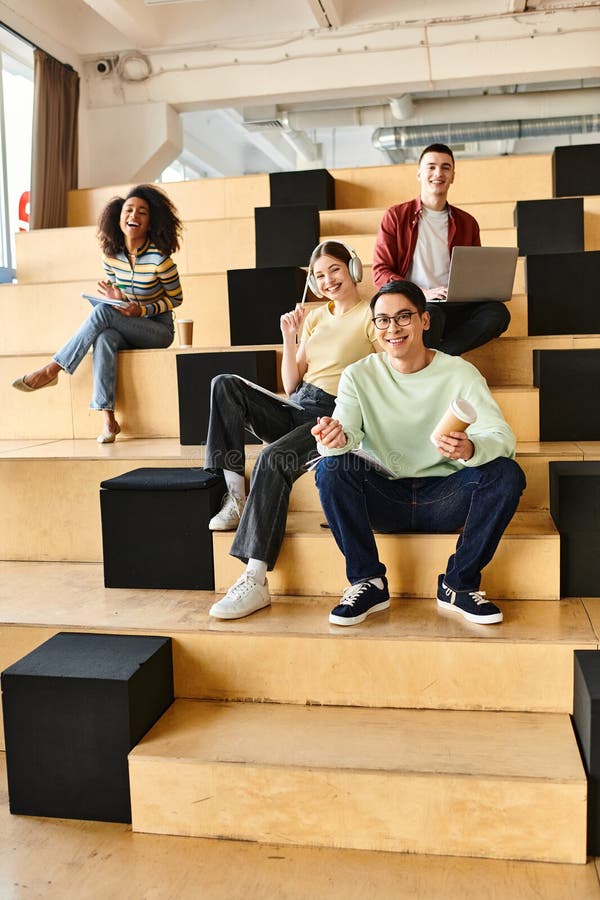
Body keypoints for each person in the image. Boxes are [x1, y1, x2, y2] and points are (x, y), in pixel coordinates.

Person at [312, 279, 525, 627]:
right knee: (330, 468)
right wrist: (332, 439)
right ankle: (368, 582)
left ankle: (459, 584)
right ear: (374, 326)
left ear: (425, 320)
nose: (392, 328)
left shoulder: (459, 372)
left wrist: (471, 448)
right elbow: (344, 434)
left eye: (403, 317)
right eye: (382, 320)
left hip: (446, 497)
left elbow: (501, 435)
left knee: (506, 473)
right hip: (384, 495)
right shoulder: (358, 375)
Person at [206, 240, 378, 620]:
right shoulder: (316, 317)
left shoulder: (371, 314)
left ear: (353, 268)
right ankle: (235, 494)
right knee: (224, 383)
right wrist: (290, 336)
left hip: (334, 413)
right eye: (319, 275)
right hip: (298, 404)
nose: (328, 279)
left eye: (334, 269)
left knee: (271, 458)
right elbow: (289, 384)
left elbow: (382, 373)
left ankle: (256, 577)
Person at [12, 184, 183, 443]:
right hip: (128, 323)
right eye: (128, 210)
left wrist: (144, 309)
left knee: (104, 314)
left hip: (157, 330)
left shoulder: (161, 260)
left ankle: (52, 369)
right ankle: (108, 420)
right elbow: (121, 300)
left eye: (142, 212)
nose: (133, 215)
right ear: (119, 217)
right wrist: (119, 299)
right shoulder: (111, 258)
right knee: (104, 338)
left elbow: (177, 298)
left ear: (151, 221)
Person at [372, 143, 510, 355]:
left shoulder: (467, 222)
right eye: (431, 167)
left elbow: (474, 274)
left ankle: (441, 358)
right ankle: (437, 363)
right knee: (431, 315)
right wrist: (422, 293)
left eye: (446, 168)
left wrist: (482, 289)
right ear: (419, 173)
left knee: (497, 314)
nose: (438, 173)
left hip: (454, 303)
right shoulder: (396, 216)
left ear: (453, 175)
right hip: (417, 303)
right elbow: (380, 272)